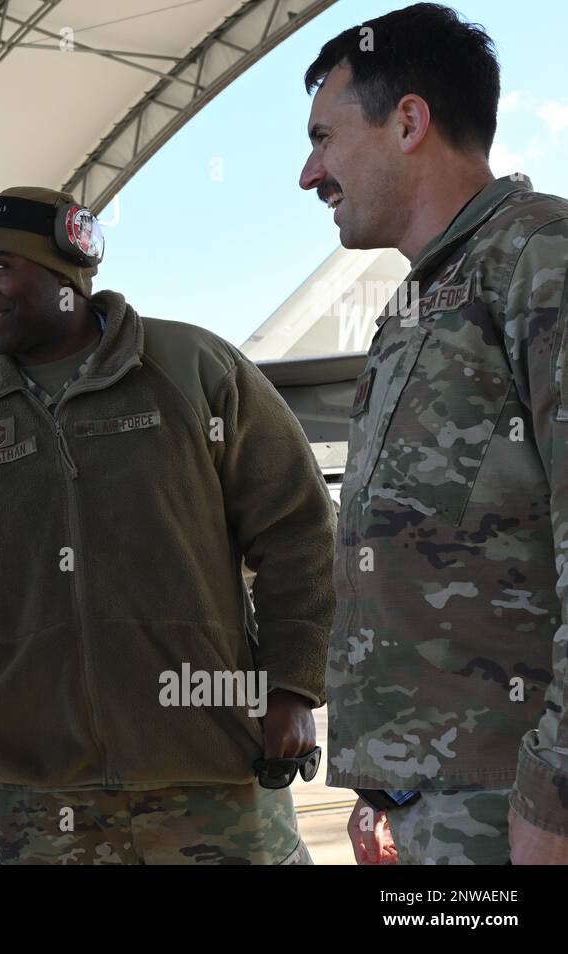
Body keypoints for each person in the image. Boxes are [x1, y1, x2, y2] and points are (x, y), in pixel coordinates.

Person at [0, 185, 336, 864]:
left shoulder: (192, 371)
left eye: (0, 266)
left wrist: (292, 685)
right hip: (38, 799)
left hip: (209, 777)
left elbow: (298, 528)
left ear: (66, 270)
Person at [299, 3, 568, 864]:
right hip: (437, 816)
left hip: (517, 819)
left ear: (409, 121)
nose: (310, 173)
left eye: (325, 137)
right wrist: (387, 786)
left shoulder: (537, 260)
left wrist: (552, 804)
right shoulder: (418, 305)